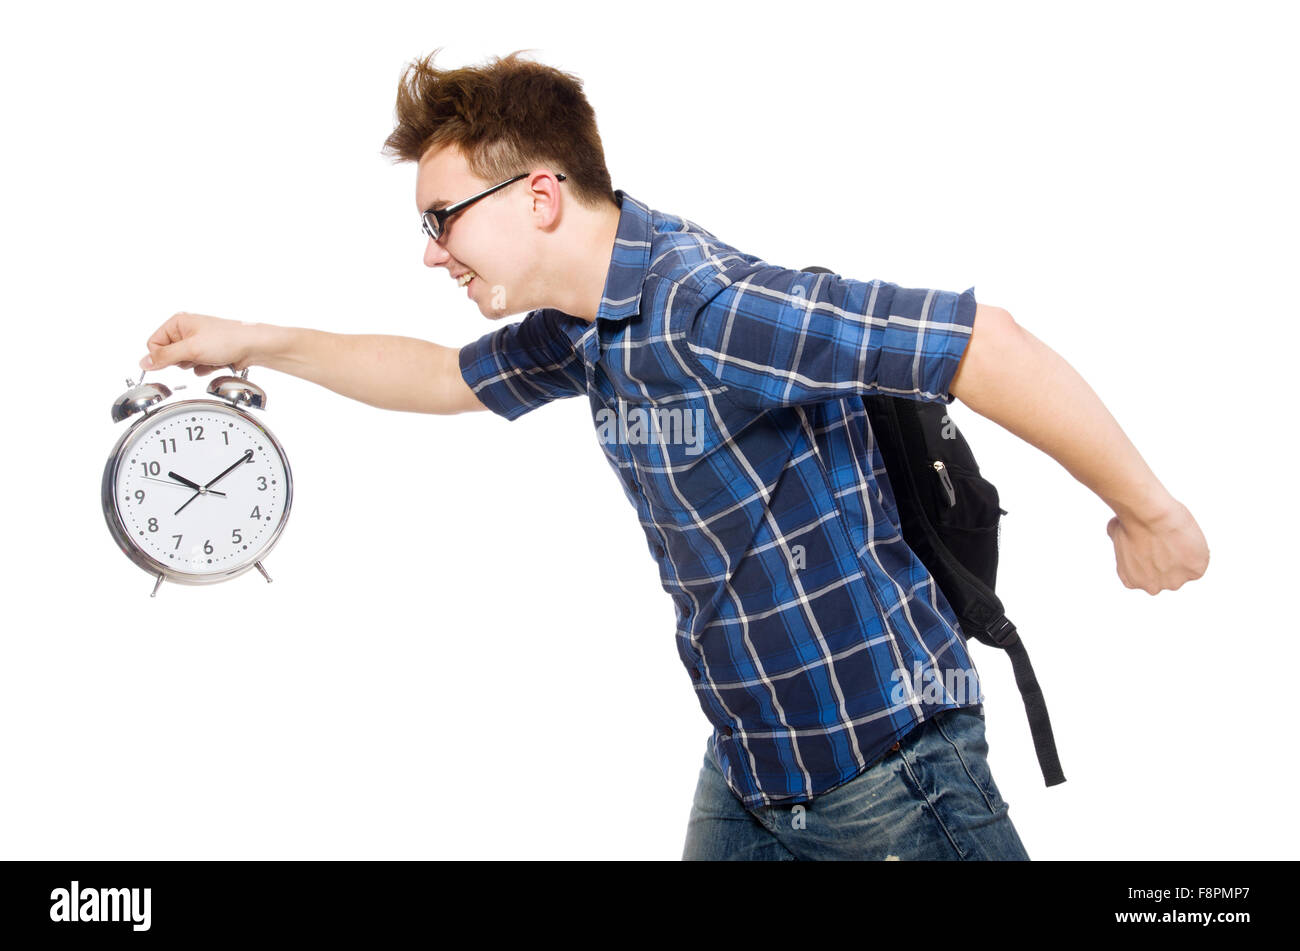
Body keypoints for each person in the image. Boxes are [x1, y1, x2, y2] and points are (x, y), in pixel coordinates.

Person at [139, 49, 1210, 861]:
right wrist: (254, 339)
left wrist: (1148, 510)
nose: (431, 251)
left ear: (541, 195)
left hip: (892, 782)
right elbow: (441, 378)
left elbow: (983, 342)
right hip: (751, 772)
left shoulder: (707, 307)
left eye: (443, 218)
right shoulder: (582, 320)